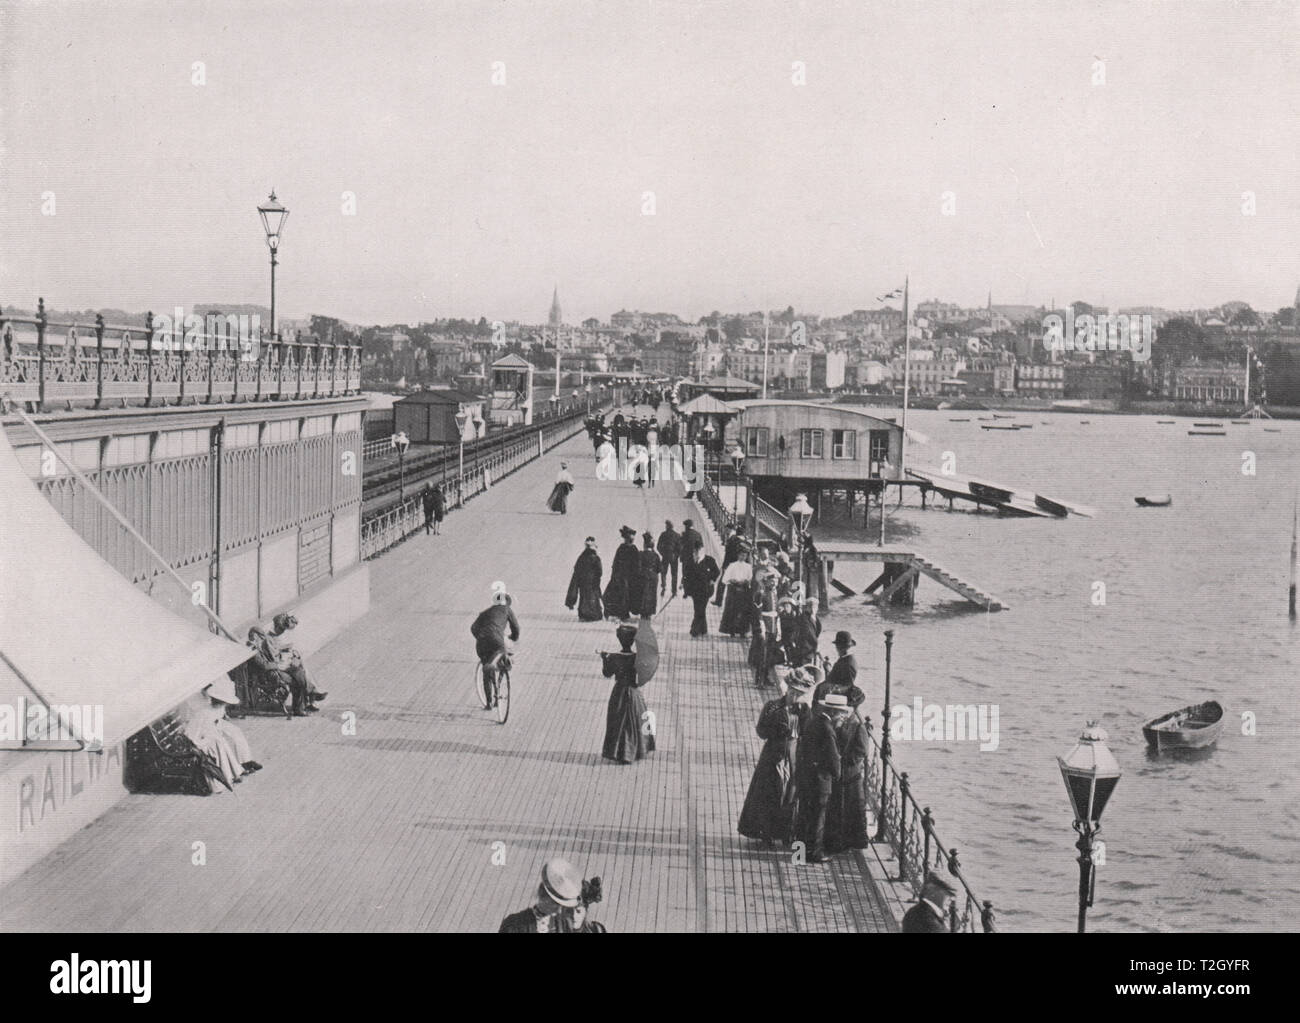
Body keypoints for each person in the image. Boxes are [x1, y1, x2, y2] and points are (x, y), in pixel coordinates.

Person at [737, 668, 812, 844]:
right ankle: (766, 832)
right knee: (770, 792)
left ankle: (786, 832)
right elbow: (761, 731)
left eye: (800, 694)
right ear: (787, 690)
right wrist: (776, 731)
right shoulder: (772, 707)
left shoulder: (804, 710)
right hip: (773, 755)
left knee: (790, 794)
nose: (796, 697)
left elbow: (808, 734)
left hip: (793, 756)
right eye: (793, 693)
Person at [180, 677, 261, 793]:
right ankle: (228, 776)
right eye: (221, 702)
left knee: (223, 739)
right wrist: (204, 741)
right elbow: (191, 735)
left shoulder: (213, 710)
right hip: (199, 739)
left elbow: (213, 722)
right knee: (219, 743)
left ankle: (236, 770)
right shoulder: (202, 712)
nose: (223, 705)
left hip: (209, 732)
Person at [795, 692, 848, 864]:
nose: (843, 718)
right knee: (818, 817)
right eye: (841, 714)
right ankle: (814, 853)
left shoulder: (813, 721)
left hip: (806, 775)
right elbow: (833, 759)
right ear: (833, 712)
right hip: (820, 780)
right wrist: (837, 775)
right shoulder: (828, 729)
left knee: (804, 814)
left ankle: (799, 853)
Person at [600, 623, 655, 764]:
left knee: (617, 722)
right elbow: (642, 675)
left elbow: (607, 673)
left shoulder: (614, 657)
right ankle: (635, 751)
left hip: (619, 692)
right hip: (634, 693)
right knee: (636, 721)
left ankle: (619, 752)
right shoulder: (637, 657)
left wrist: (604, 659)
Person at [825, 686, 870, 854]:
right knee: (837, 807)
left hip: (851, 775)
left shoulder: (858, 726)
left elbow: (862, 750)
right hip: (839, 772)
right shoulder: (839, 721)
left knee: (851, 808)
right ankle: (835, 840)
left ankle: (852, 841)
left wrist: (846, 761)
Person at [265, 612, 327, 716]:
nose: (282, 632)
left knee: (301, 667)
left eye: (283, 629)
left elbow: (280, 649)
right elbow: (274, 656)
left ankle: (310, 697)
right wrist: (285, 651)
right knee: (300, 672)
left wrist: (290, 652)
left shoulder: (276, 636)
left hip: (285, 662)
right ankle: (311, 695)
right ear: (276, 627)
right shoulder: (269, 638)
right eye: (281, 629)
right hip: (280, 665)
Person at [498, 858, 584, 933]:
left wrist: (577, 927)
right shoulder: (514, 924)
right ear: (542, 895)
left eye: (562, 905)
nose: (559, 911)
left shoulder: (564, 923)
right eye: (556, 904)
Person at [471, 583, 521, 709]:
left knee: (486, 670)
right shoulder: (506, 609)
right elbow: (516, 628)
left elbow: (473, 628)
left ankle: (489, 703)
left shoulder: (485, 612)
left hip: (482, 643)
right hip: (496, 640)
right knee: (501, 651)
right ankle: (493, 665)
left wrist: (481, 637)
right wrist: (513, 637)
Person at [902, 862, 959, 933]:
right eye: (949, 893)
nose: (952, 898)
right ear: (933, 890)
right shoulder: (930, 922)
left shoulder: (913, 911)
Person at [602, 525, 641, 620]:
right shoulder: (632, 549)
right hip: (625, 576)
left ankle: (619, 612)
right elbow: (636, 565)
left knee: (620, 594)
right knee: (623, 595)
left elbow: (616, 563)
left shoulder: (622, 548)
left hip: (623, 576)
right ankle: (622, 613)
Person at [565, 537, 604, 621]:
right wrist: (596, 580)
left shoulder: (581, 558)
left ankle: (584, 615)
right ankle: (592, 615)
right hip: (593, 583)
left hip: (584, 583)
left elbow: (576, 572)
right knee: (592, 598)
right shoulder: (595, 558)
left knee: (584, 598)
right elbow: (600, 572)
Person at [814, 630, 858, 703]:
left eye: (837, 646)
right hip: (835, 691)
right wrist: (828, 670)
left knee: (820, 688)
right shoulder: (845, 659)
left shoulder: (848, 663)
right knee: (820, 687)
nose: (836, 648)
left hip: (839, 696)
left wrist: (828, 670)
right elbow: (836, 678)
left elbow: (847, 686)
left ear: (840, 647)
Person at [718, 549, 753, 637]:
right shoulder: (732, 565)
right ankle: (731, 630)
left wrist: (745, 581)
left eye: (744, 556)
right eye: (741, 555)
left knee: (743, 611)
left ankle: (742, 631)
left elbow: (750, 578)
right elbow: (724, 579)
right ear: (738, 555)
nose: (742, 557)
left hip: (744, 590)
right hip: (733, 590)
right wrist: (731, 580)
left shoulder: (748, 567)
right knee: (732, 610)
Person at [685, 552, 719, 638]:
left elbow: (717, 572)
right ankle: (703, 629)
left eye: (697, 553)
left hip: (706, 590)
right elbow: (686, 574)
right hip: (695, 590)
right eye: (694, 553)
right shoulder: (690, 560)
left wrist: (712, 579)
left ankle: (695, 630)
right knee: (698, 609)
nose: (695, 556)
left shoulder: (709, 560)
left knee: (700, 609)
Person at [715, 524, 745, 605]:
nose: (725, 531)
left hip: (729, 566)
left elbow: (729, 554)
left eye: (726, 529)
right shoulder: (744, 543)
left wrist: (725, 566)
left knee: (722, 583)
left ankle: (719, 601)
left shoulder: (733, 540)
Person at [637, 532, 662, 616]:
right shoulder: (656, 556)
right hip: (653, 577)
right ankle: (649, 612)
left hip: (643, 576)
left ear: (645, 544)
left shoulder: (641, 554)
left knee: (643, 595)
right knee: (651, 595)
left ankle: (643, 612)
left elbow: (638, 567)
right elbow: (659, 569)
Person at [656, 521, 681, 597]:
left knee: (663, 573)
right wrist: (676, 555)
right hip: (674, 558)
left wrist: (663, 553)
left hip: (665, 556)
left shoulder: (663, 534)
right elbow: (680, 548)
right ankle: (674, 591)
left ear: (667, 526)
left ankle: (663, 587)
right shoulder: (677, 535)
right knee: (674, 574)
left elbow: (658, 546)